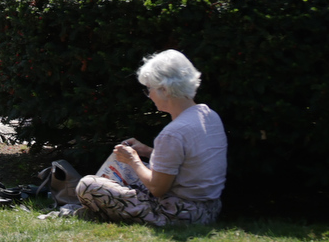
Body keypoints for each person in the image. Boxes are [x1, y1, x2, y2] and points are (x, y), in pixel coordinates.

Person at [75, 50, 226, 226]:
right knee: (126, 170)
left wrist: (133, 160)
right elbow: (189, 162)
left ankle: (96, 210)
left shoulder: (173, 132)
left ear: (164, 90)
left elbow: (157, 189)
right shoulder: (209, 115)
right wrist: (147, 151)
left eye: (149, 89)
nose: (149, 96)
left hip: (178, 213)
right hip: (210, 209)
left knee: (87, 185)